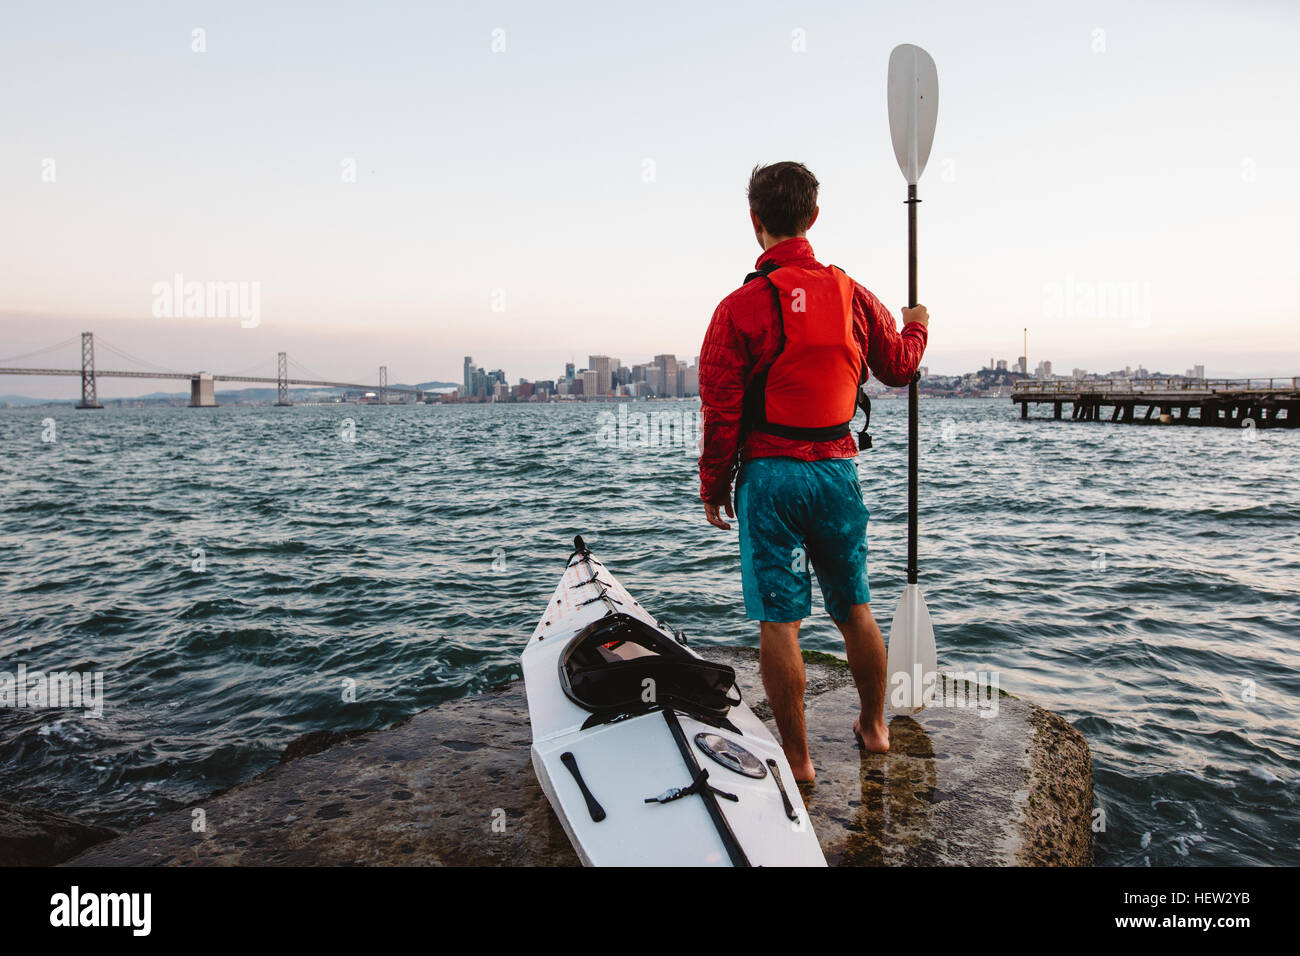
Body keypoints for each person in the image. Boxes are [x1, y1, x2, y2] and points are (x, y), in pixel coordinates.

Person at [697, 161, 929, 781]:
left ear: (755, 223)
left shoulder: (736, 309)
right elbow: (900, 366)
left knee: (781, 619)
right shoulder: (852, 294)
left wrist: (713, 485)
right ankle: (875, 729)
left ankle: (799, 763)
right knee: (855, 608)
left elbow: (721, 412)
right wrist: (918, 325)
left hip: (770, 479)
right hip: (837, 473)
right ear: (814, 217)